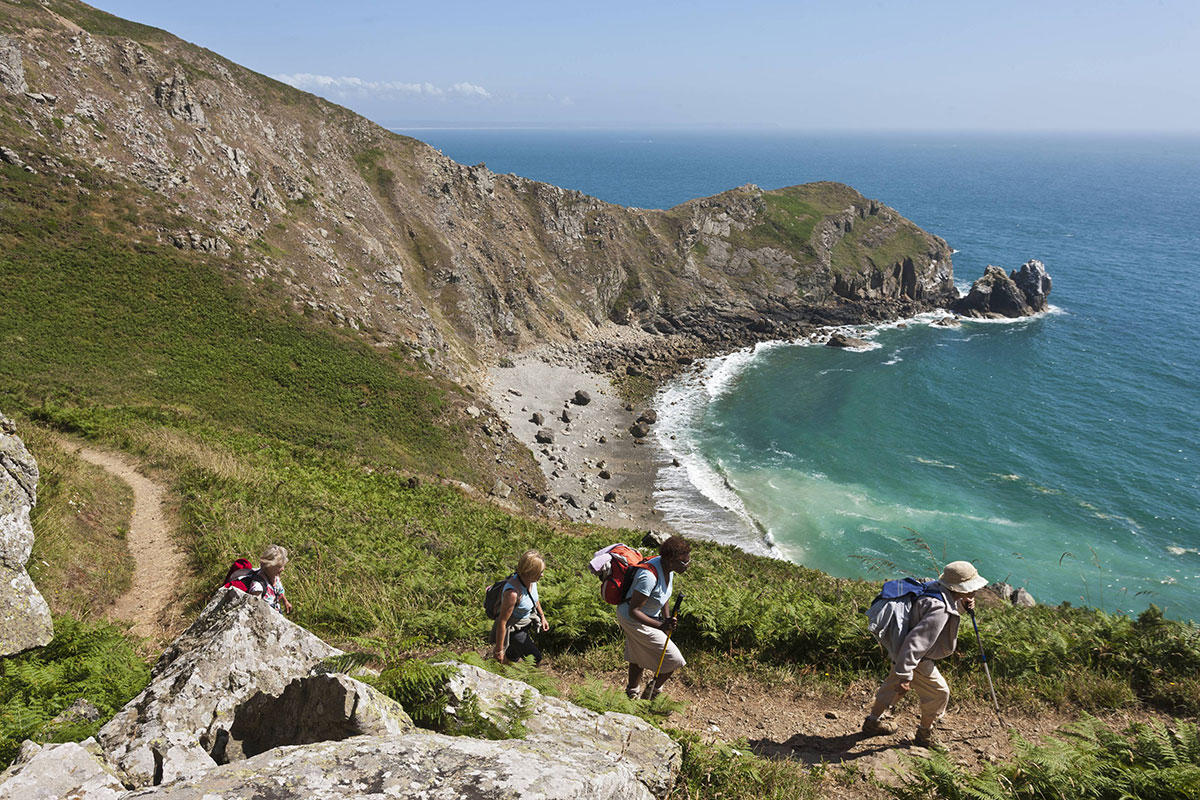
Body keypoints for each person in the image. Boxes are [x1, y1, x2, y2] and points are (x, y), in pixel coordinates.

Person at [861, 560, 988, 748]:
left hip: (900, 650)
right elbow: (916, 643)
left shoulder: (935, 588)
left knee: (891, 686)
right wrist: (906, 674)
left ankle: (872, 723)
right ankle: (924, 734)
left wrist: (961, 605)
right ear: (959, 587)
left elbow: (929, 614)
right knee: (939, 693)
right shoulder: (940, 610)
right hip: (916, 659)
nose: (975, 591)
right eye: (971, 587)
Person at [618, 535, 691, 700]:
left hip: (649, 616)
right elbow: (634, 610)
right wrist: (661, 626)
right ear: (671, 560)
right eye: (685, 562)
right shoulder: (648, 577)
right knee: (674, 659)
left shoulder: (666, 568)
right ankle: (651, 694)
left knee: (638, 653)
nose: (688, 565)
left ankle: (631, 693)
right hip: (633, 619)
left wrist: (666, 618)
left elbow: (664, 595)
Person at [490, 550, 549, 665]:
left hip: (526, 624)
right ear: (529, 572)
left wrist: (542, 616)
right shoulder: (512, 593)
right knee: (536, 658)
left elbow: (535, 599)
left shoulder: (532, 582)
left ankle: (503, 670)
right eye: (539, 572)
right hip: (514, 629)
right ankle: (531, 680)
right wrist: (499, 649)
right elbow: (502, 621)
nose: (542, 575)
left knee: (513, 655)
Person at [248, 544, 293, 615]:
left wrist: (285, 602)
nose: (283, 569)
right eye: (279, 567)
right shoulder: (258, 587)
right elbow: (254, 609)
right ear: (269, 566)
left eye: (283, 566)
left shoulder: (275, 576)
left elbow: (278, 590)